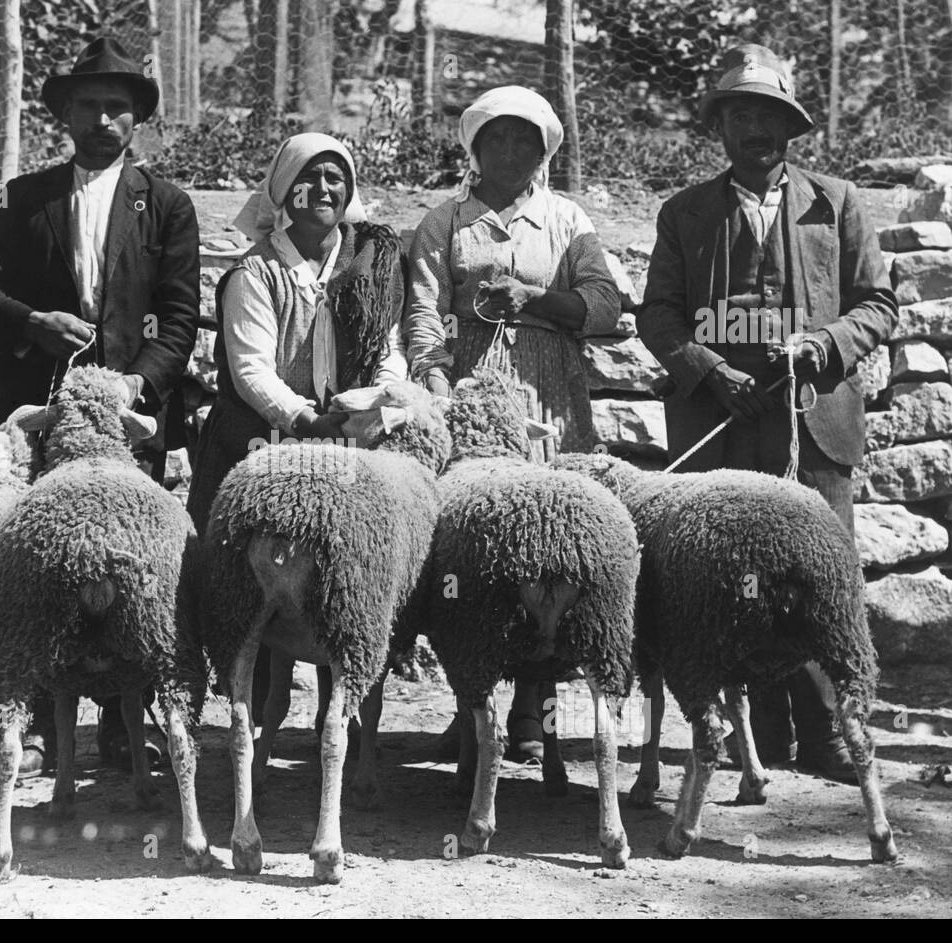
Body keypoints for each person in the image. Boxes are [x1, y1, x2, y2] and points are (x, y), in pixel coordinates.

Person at [637, 44, 898, 781]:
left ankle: (829, 733)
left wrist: (822, 343)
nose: (757, 129)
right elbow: (658, 314)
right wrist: (708, 367)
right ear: (719, 128)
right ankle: (755, 736)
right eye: (741, 116)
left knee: (819, 578)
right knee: (733, 579)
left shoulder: (837, 204)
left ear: (792, 128)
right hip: (723, 425)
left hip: (813, 424)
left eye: (771, 116)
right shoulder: (685, 213)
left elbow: (877, 304)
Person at [0, 36, 200, 775]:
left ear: (137, 119)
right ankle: (34, 720)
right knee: (35, 562)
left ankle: (126, 722)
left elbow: (180, 316)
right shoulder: (23, 198)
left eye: (118, 108)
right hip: (39, 413)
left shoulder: (166, 205)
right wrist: (33, 322)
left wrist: (136, 384)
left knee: (130, 565)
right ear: (64, 114)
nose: (103, 120)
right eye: (90, 106)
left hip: (124, 421)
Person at [403, 85, 621, 763]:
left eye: (524, 138)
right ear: (473, 148)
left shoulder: (565, 219)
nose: (509, 149)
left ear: (544, 149)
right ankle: (471, 706)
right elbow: (424, 311)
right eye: (495, 137)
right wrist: (437, 383)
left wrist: (535, 298)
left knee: (546, 546)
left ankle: (535, 708)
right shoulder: (447, 222)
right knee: (469, 551)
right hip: (473, 400)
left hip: (548, 393)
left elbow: (605, 306)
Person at [183, 132, 409, 729]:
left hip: (349, 443)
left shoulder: (370, 267)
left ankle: (343, 719)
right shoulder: (255, 273)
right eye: (308, 177)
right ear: (284, 190)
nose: (323, 189)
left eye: (336, 177)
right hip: (263, 443)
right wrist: (306, 420)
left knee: (346, 574)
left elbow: (389, 348)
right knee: (253, 577)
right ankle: (256, 720)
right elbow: (251, 369)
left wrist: (379, 399)